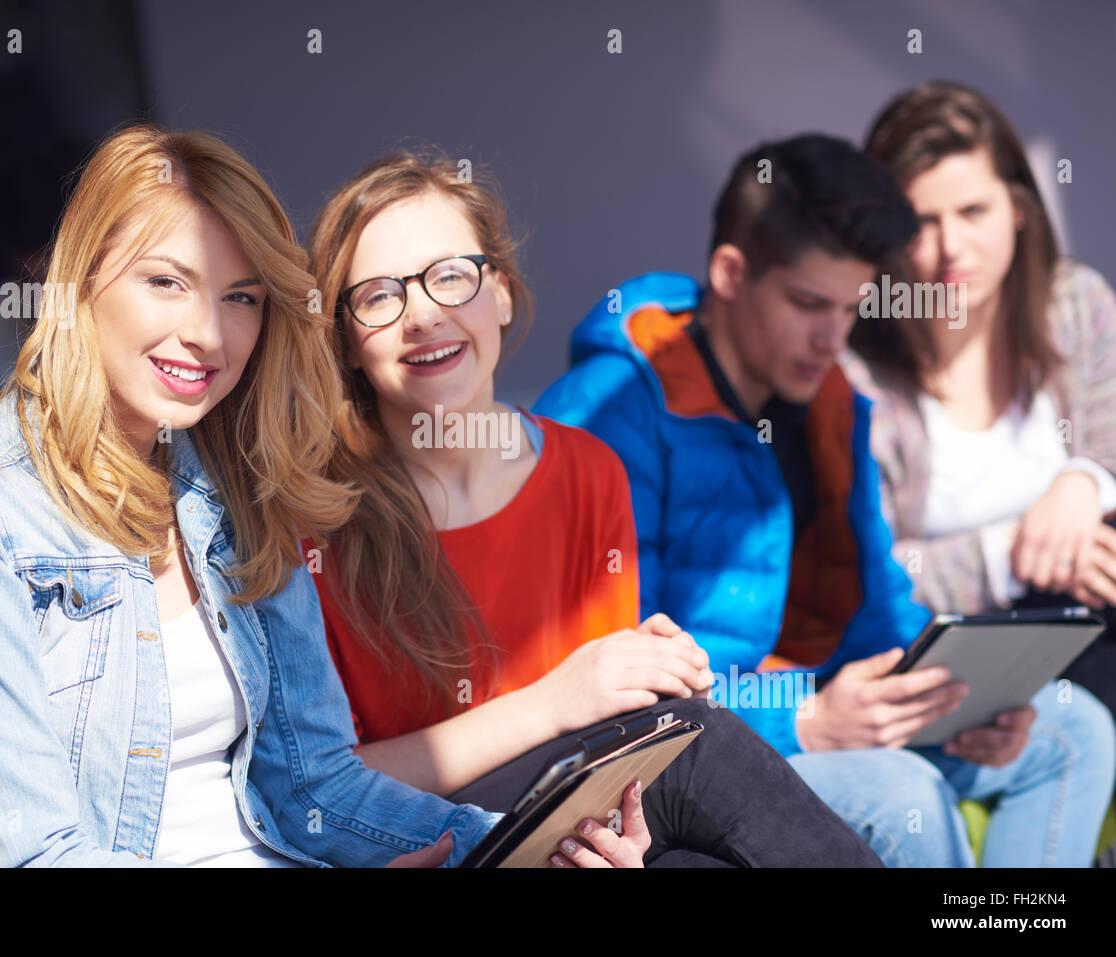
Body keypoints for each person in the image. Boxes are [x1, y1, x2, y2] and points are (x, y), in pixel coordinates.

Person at [0, 123, 631, 868]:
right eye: (167, 282)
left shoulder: (231, 493)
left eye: (241, 297)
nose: (208, 331)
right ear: (80, 281)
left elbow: (318, 788)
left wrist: (520, 846)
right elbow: (35, 854)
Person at [534, 132, 1116, 866]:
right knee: (901, 792)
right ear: (730, 272)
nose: (831, 338)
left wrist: (951, 693)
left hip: (808, 697)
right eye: (809, 303)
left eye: (850, 308)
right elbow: (602, 669)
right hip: (684, 748)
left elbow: (879, 604)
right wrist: (802, 719)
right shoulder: (613, 411)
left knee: (1073, 729)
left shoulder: (832, 401)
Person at [304, 149, 883, 867]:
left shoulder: (585, 470)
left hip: (569, 827)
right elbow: (323, 791)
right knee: (700, 748)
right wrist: (557, 701)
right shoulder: (316, 522)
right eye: (380, 296)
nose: (424, 313)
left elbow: (613, 741)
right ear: (348, 342)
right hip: (429, 841)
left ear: (504, 294)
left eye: (452, 277)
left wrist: (656, 669)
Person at [842, 80, 1116, 726]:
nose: (952, 250)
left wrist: (1087, 479)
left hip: (1089, 616)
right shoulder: (852, 370)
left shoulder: (1072, 301)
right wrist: (1015, 550)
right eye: (921, 223)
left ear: (1019, 208)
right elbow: (869, 573)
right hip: (947, 649)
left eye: (973, 212)